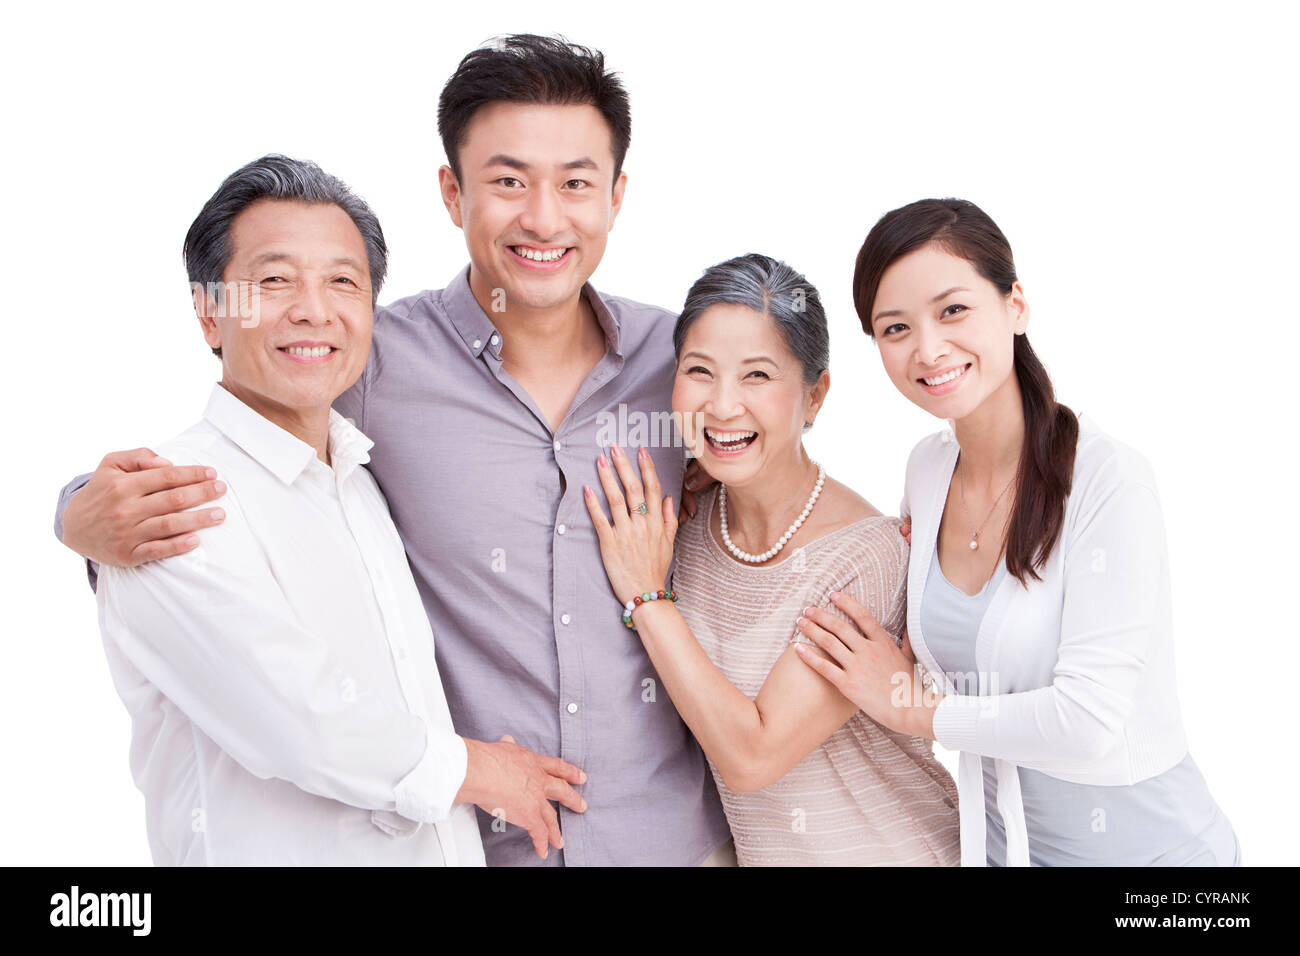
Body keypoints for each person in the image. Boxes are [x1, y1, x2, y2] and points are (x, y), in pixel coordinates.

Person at [54, 35, 731, 866]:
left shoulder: (687, 366)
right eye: (508, 181)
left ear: (617, 196)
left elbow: (789, 488)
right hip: (484, 843)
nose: (545, 217)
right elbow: (248, 409)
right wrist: (78, 511)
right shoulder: (377, 358)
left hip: (671, 841)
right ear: (452, 192)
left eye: (576, 183)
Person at [91, 154, 589, 865]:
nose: (314, 310)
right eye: (274, 280)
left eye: (342, 283)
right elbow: (294, 714)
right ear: (209, 314)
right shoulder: (165, 501)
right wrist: (477, 770)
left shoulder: (358, 477)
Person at [793, 198, 1239, 866]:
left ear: (1016, 305)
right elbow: (907, 614)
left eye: (953, 310)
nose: (929, 348)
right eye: (895, 328)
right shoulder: (928, 469)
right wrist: (724, 476)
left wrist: (918, 711)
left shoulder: (1110, 480)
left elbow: (1086, 721)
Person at [583, 254, 960, 865]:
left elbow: (752, 757)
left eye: (757, 376)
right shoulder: (692, 524)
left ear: (814, 395)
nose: (724, 405)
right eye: (699, 371)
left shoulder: (869, 557)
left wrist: (647, 598)